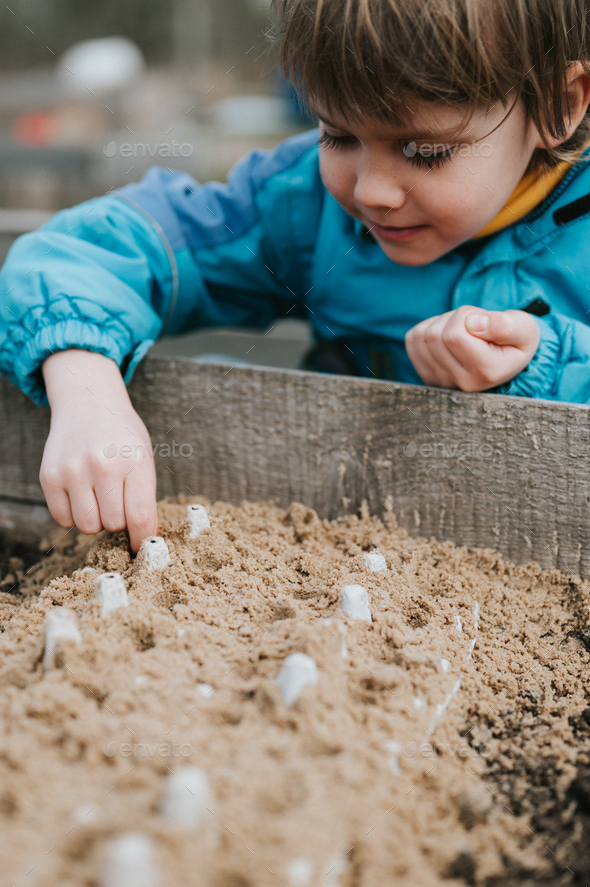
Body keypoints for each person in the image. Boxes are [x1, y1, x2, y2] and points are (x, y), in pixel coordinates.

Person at [1, 0, 590, 550]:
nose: (372, 192)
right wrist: (85, 390)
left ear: (560, 104)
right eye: (338, 135)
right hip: (343, 544)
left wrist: (547, 365)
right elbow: (86, 251)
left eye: (425, 152)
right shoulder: (304, 205)